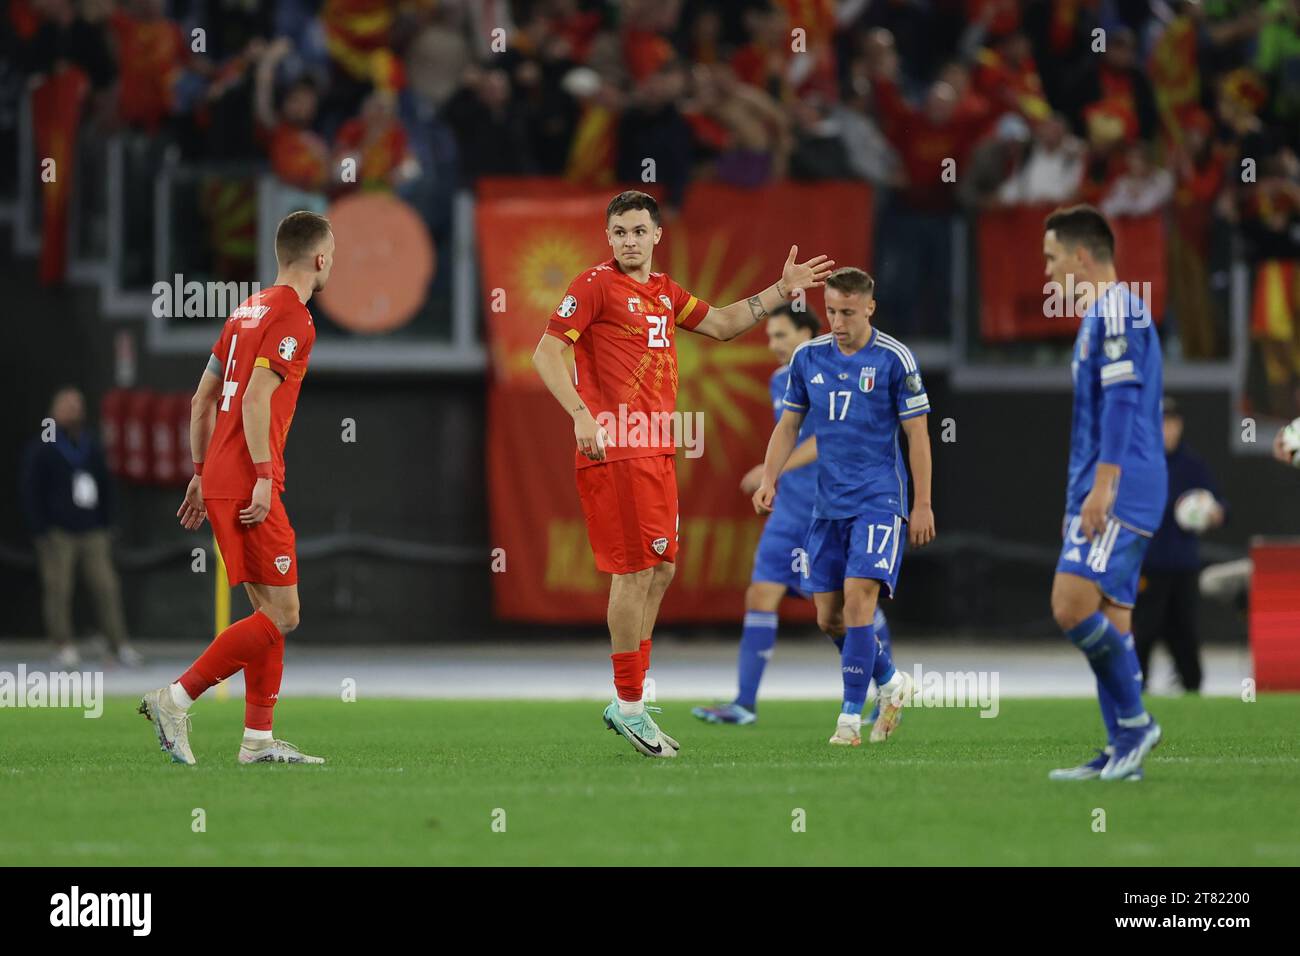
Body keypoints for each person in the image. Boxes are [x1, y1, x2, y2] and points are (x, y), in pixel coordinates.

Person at [532, 190, 834, 758]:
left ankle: (633, 697)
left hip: (656, 447)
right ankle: (628, 705)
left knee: (662, 568)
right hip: (618, 447)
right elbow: (546, 353)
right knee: (634, 571)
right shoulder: (593, 285)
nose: (628, 241)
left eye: (638, 231)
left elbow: (721, 324)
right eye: (619, 231)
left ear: (656, 236)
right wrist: (581, 415)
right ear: (608, 237)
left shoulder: (664, 291)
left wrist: (780, 290)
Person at [138, 210, 333, 766]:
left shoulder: (243, 312)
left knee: (266, 614)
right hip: (250, 479)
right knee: (285, 615)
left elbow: (202, 400)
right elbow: (253, 400)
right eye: (332, 257)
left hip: (221, 476)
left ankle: (257, 742)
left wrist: (201, 473)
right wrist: (267, 478)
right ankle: (174, 698)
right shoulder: (295, 318)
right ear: (320, 259)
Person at [691, 305, 899, 729]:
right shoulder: (779, 380)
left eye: (782, 335)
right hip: (789, 512)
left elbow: (827, 437)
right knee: (760, 595)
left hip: (829, 509)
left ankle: (886, 686)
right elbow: (789, 433)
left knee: (839, 614)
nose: (773, 345)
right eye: (769, 337)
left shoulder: (833, 373)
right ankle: (744, 703)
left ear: (808, 333)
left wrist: (773, 470)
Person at [752, 267, 935, 746]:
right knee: (828, 617)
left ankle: (849, 719)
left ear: (869, 308)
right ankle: (892, 682)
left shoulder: (896, 358)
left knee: (859, 600)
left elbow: (917, 434)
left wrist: (923, 504)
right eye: (831, 310)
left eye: (847, 312)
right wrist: (770, 478)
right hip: (826, 505)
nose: (837, 321)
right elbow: (790, 425)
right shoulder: (808, 358)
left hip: (879, 499)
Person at [1043, 205, 1166, 782]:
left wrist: (1103, 483)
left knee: (1071, 605)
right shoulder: (1107, 314)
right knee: (1113, 622)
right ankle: (1123, 751)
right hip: (1114, 485)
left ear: (1082, 257)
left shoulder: (1116, 309)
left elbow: (1121, 401)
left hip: (1119, 486)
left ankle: (1138, 726)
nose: (1047, 273)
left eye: (1051, 258)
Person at [20, 387, 140, 668]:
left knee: (106, 586)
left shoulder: (91, 444)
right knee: (59, 588)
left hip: (91, 529)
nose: (74, 410)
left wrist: (108, 523)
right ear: (54, 410)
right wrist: (40, 529)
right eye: (68, 405)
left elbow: (106, 485)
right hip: (58, 531)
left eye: (78, 405)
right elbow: (31, 489)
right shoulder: (44, 446)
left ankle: (118, 644)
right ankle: (63, 644)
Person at [1134, 397, 1226, 693]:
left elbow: (1220, 505)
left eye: (1172, 422)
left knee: (1184, 630)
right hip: (1148, 563)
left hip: (1183, 565)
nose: (1167, 428)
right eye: (1161, 422)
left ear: (1180, 425)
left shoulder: (1192, 464)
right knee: (1143, 630)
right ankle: (1135, 691)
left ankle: (1192, 686)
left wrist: (1215, 512)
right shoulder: (1140, 462)